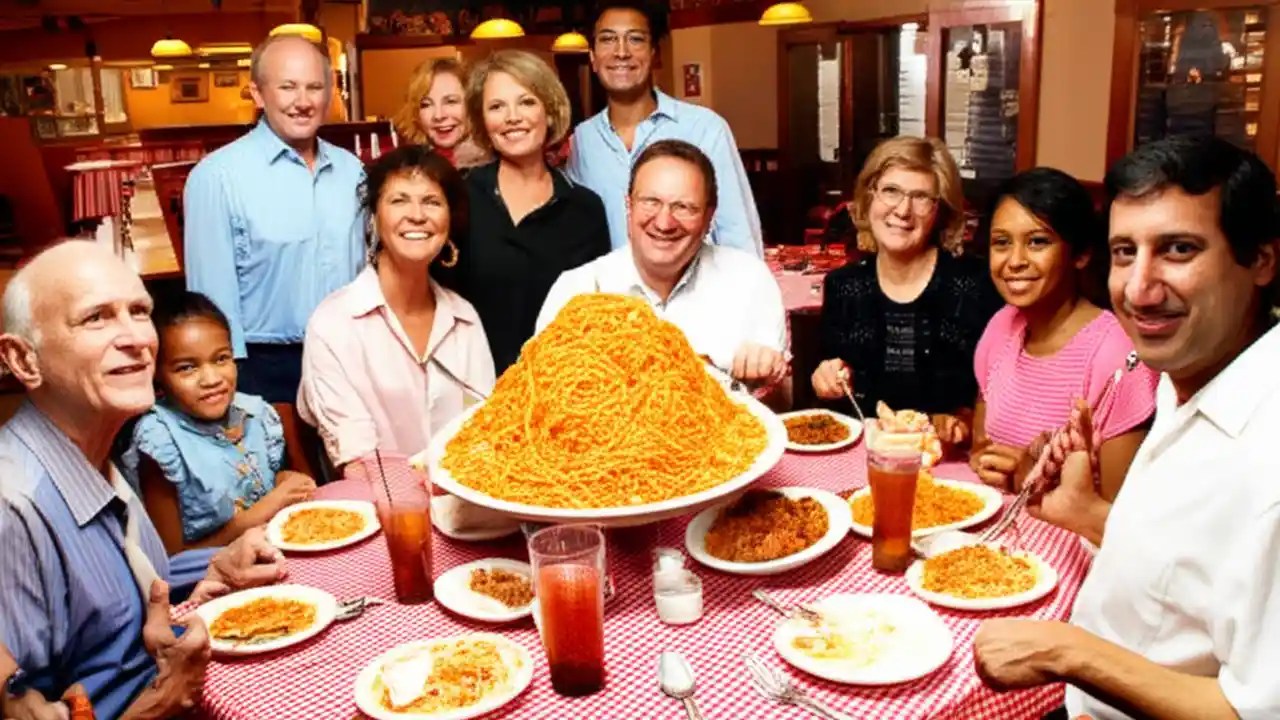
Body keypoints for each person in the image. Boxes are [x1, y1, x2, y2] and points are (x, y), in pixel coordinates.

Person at [974, 136, 1280, 720]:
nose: (1138, 289)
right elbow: (1194, 575)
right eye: (1124, 252)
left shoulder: (1270, 459)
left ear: (1261, 259)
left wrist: (1068, 652)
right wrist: (1084, 512)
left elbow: (1251, 711)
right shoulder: (1187, 376)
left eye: (1179, 249)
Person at [0, 241, 287, 719]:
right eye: (96, 318)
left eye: (138, 312)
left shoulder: (94, 448)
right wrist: (158, 705)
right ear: (24, 361)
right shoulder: (14, 507)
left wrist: (212, 566)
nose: (136, 337)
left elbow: (118, 601)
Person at [537, 139, 789, 407]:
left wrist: (768, 376)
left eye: (684, 207)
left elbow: (777, 407)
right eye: (650, 202)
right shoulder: (577, 289)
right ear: (628, 205)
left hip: (733, 443)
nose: (664, 222)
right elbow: (542, 397)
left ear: (709, 216)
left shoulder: (749, 280)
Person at [183, 34, 366, 404]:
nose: (303, 101)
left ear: (330, 93)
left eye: (315, 87)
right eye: (288, 87)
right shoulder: (217, 177)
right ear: (258, 94)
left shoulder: (353, 171)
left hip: (353, 358)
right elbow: (211, 298)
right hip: (265, 370)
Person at [299, 146, 495, 469]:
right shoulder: (333, 324)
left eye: (432, 202)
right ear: (375, 218)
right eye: (399, 200)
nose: (417, 215)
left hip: (467, 510)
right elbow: (359, 461)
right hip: (381, 510)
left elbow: (486, 433)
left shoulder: (465, 319)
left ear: (448, 222)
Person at [970, 168, 1157, 500]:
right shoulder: (1001, 327)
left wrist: (1035, 480)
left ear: (1081, 254)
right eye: (1002, 243)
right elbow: (981, 445)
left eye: (1038, 242)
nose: (1015, 261)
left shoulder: (1117, 354)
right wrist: (986, 459)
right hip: (992, 525)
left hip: (1069, 542)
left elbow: (1116, 512)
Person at [811, 136, 1002, 446]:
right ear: (869, 196)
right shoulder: (843, 286)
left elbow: (998, 393)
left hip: (948, 463)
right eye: (890, 191)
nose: (903, 210)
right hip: (867, 458)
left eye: (921, 197)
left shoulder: (975, 284)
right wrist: (826, 377)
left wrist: (964, 420)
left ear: (940, 211)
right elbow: (832, 393)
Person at [118, 291, 317, 554]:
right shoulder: (159, 439)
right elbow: (174, 556)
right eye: (187, 368)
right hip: (210, 580)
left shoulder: (256, 415)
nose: (211, 379)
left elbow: (262, 481)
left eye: (221, 358)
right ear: (157, 376)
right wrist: (265, 508)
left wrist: (283, 481)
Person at [567, 0, 762, 256]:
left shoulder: (704, 128)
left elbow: (739, 237)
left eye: (635, 39)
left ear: (654, 53)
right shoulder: (583, 140)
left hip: (698, 293)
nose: (621, 52)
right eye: (607, 40)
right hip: (612, 295)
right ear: (593, 57)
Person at [458, 49, 610, 374]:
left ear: (550, 112)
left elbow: (595, 320)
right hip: (472, 394)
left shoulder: (585, 210)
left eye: (526, 102)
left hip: (559, 394)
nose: (513, 117)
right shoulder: (459, 199)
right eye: (497, 106)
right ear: (483, 123)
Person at [391, 58, 488, 169]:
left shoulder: (493, 167)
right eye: (426, 104)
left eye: (451, 101)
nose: (438, 115)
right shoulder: (405, 168)